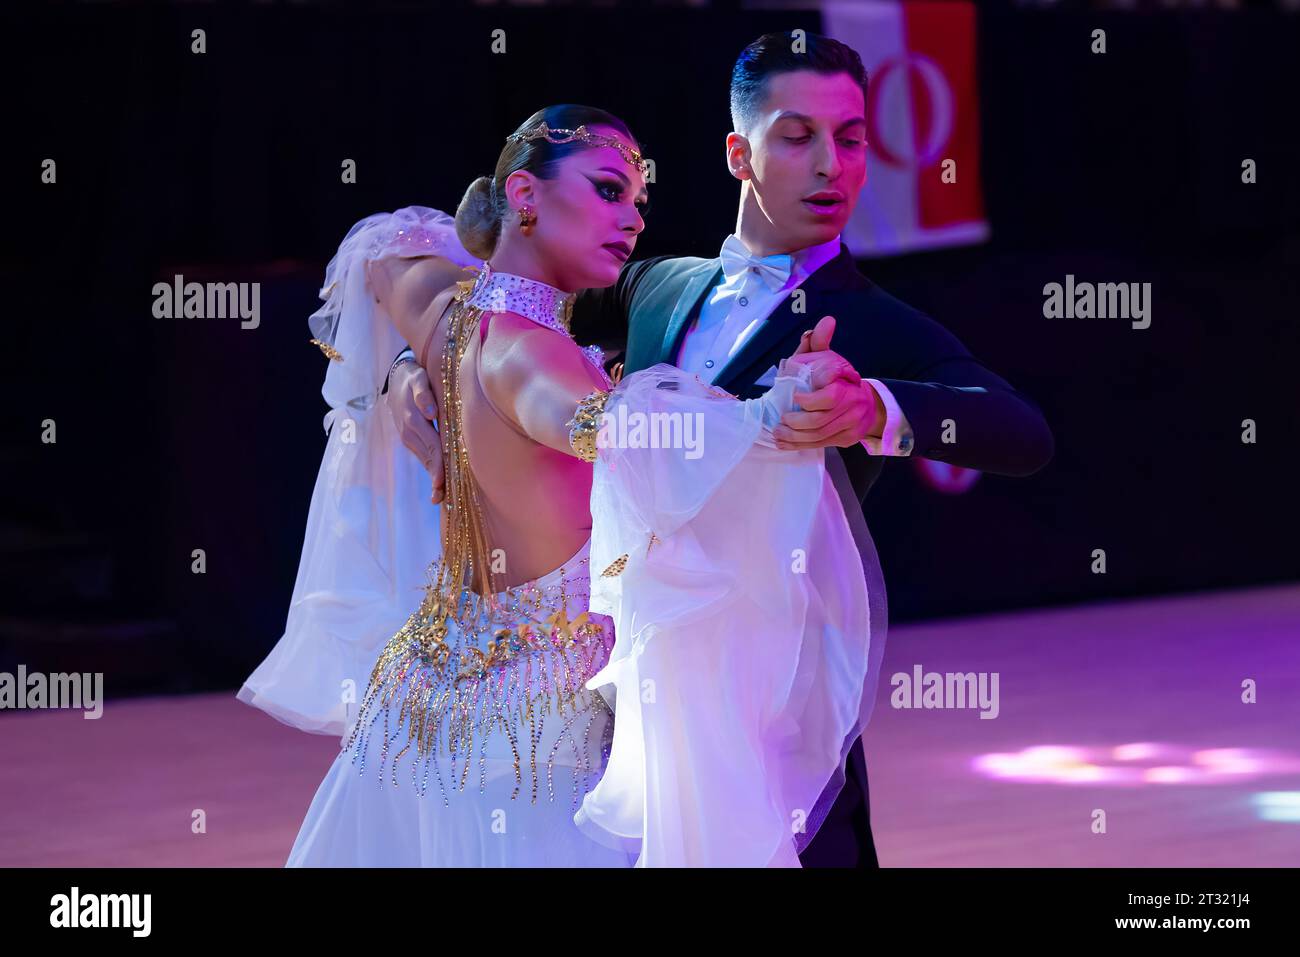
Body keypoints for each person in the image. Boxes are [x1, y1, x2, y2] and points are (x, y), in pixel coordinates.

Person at [389, 32, 1054, 866]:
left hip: (776, 711)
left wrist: (873, 405)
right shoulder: (655, 283)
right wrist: (412, 376)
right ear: (740, 152)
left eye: (850, 139)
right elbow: (502, 314)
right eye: (797, 135)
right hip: (623, 704)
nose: (831, 166)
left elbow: (1022, 430)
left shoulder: (877, 321)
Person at [241, 102, 883, 866]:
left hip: (423, 708)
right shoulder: (527, 354)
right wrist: (774, 411)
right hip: (542, 750)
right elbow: (599, 424)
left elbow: (379, 253)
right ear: (523, 196)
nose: (635, 219)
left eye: (639, 201)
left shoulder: (455, 320)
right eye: (610, 190)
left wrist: (405, 372)